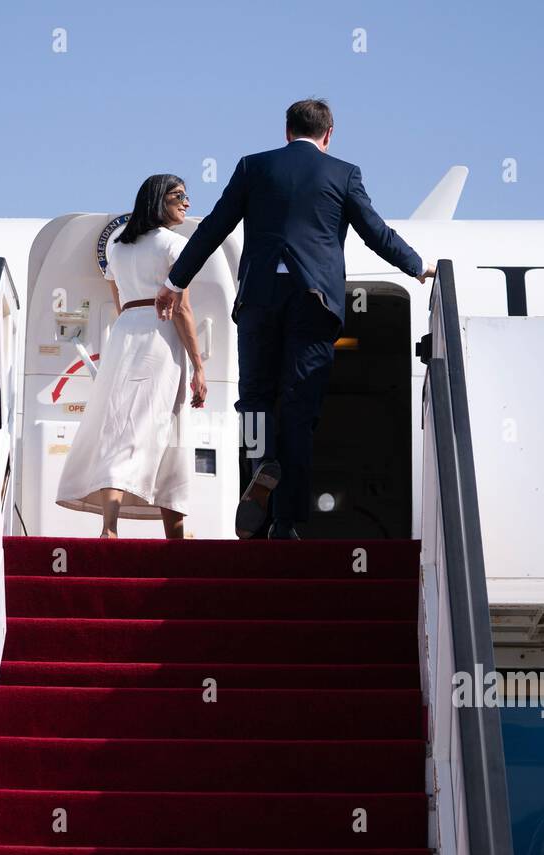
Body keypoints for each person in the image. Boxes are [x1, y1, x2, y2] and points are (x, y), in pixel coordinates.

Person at [155, 98, 433, 540]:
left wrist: (174, 280)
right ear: (328, 135)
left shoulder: (253, 167)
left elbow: (213, 229)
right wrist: (416, 265)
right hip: (313, 300)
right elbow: (374, 230)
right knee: (300, 408)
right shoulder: (342, 173)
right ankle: (285, 522)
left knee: (255, 401)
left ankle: (259, 472)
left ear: (286, 132)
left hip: (260, 299)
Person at [56, 174, 209, 538]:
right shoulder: (174, 245)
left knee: (120, 424)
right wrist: (199, 367)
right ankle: (175, 531)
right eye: (179, 196)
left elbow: (118, 301)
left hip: (125, 332)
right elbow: (183, 309)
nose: (187, 202)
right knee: (167, 426)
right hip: (161, 334)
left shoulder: (117, 248)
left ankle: (110, 525)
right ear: (159, 201)